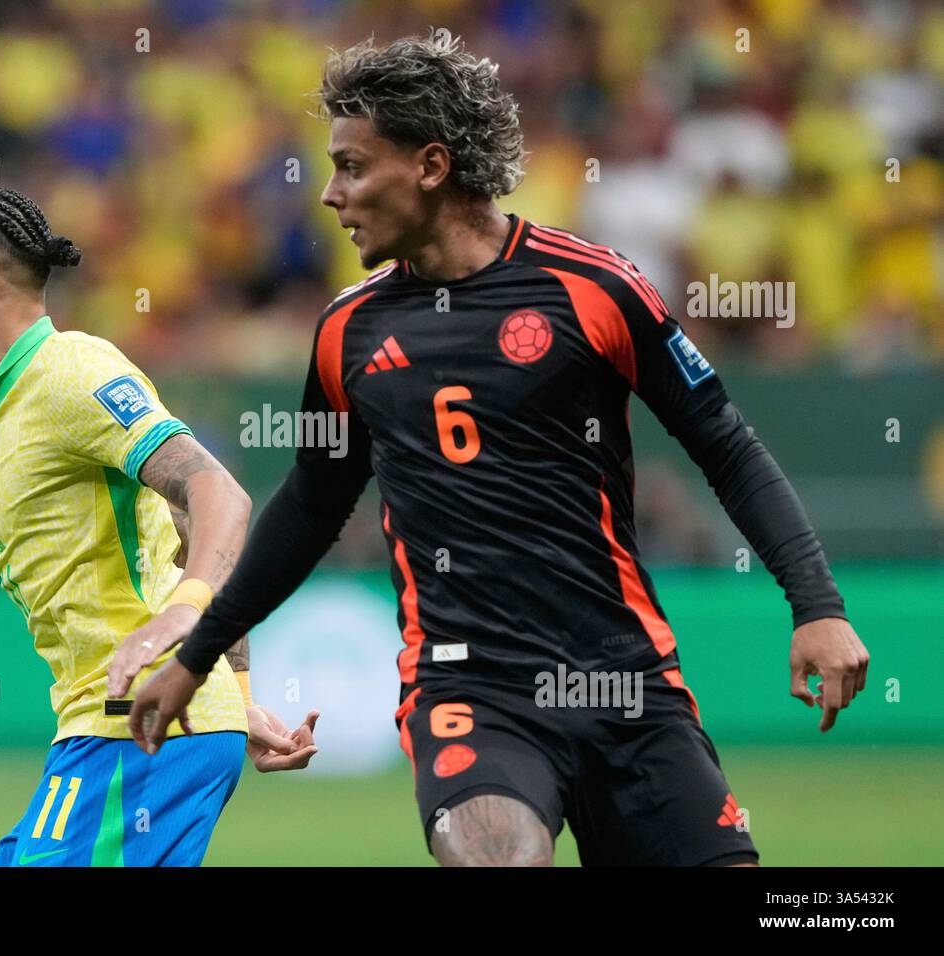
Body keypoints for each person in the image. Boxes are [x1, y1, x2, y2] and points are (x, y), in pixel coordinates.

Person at [125, 34, 869, 866]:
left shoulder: (595, 288)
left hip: (626, 678)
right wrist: (195, 658)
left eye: (352, 167)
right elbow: (308, 507)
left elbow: (726, 447)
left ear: (432, 165)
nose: (330, 194)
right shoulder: (347, 331)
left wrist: (818, 605)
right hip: (468, 687)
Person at [0, 186, 317, 867]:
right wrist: (230, 698)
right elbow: (180, 522)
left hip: (135, 732)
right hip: (120, 728)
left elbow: (216, 494)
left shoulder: (68, 370)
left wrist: (184, 622)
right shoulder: (5, 408)